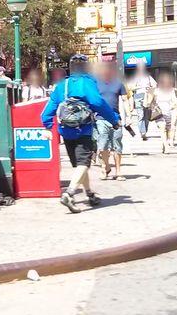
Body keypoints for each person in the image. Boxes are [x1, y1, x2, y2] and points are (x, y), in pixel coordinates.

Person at [41, 54, 119, 213]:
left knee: (79, 165)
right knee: (84, 163)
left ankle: (90, 194)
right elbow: (98, 102)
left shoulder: (62, 85)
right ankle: (69, 194)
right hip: (83, 129)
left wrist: (48, 126)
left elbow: (49, 109)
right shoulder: (87, 83)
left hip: (65, 130)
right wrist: (114, 120)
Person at [94, 61, 127, 180]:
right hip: (100, 118)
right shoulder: (96, 84)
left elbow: (125, 100)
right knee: (102, 146)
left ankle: (118, 171)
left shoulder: (118, 83)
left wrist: (128, 116)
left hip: (116, 119)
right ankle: (105, 167)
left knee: (117, 145)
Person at [146, 72, 177, 154]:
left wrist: (176, 106)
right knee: (162, 128)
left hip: (169, 112)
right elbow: (149, 102)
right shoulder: (155, 91)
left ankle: (164, 144)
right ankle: (166, 146)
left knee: (168, 129)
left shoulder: (171, 90)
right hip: (159, 113)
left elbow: (175, 100)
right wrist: (149, 96)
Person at [128, 60, 156, 141]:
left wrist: (150, 88)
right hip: (138, 96)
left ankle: (144, 131)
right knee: (141, 115)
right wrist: (140, 87)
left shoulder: (148, 77)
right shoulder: (135, 77)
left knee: (147, 116)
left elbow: (155, 84)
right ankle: (142, 132)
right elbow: (131, 87)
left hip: (148, 97)